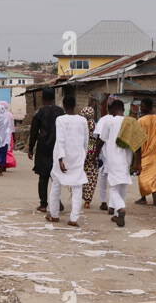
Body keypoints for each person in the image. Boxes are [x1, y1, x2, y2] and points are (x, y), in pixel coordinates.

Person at [47, 97, 90, 227]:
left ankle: (54, 215)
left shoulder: (60, 119)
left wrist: (60, 158)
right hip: (77, 156)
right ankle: (74, 218)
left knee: (56, 185)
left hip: (62, 157)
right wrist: (84, 155)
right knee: (77, 186)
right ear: (75, 105)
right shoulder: (83, 120)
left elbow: (60, 139)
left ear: (64, 106)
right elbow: (86, 140)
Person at [93, 99, 134, 227]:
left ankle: (121, 208)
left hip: (113, 158)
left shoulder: (109, 121)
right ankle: (117, 215)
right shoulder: (131, 122)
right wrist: (137, 163)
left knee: (114, 188)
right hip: (127, 159)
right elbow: (138, 144)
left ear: (113, 109)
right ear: (123, 109)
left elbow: (101, 140)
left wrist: (95, 154)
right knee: (122, 186)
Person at [28, 87, 64, 213]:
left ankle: (43, 204)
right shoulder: (61, 112)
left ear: (43, 99)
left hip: (43, 148)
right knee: (56, 177)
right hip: (57, 148)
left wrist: (30, 148)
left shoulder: (39, 113)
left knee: (43, 177)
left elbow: (33, 132)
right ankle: (57, 202)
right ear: (53, 98)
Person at [135, 99, 156, 206]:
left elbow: (138, 140)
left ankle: (144, 197)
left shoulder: (140, 121)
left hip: (145, 151)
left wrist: (136, 161)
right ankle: (153, 192)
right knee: (152, 174)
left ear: (148, 107)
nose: (140, 107)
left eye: (142, 106)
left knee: (142, 174)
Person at [79, 106, 101, 208]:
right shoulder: (95, 125)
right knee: (91, 177)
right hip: (92, 153)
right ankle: (87, 200)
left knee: (79, 175)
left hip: (82, 152)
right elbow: (94, 141)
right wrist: (93, 154)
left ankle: (78, 196)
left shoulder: (81, 124)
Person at [0, 101, 15, 176]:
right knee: (3, 154)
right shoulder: (6, 118)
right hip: (4, 139)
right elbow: (9, 129)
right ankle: (0, 170)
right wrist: (9, 139)